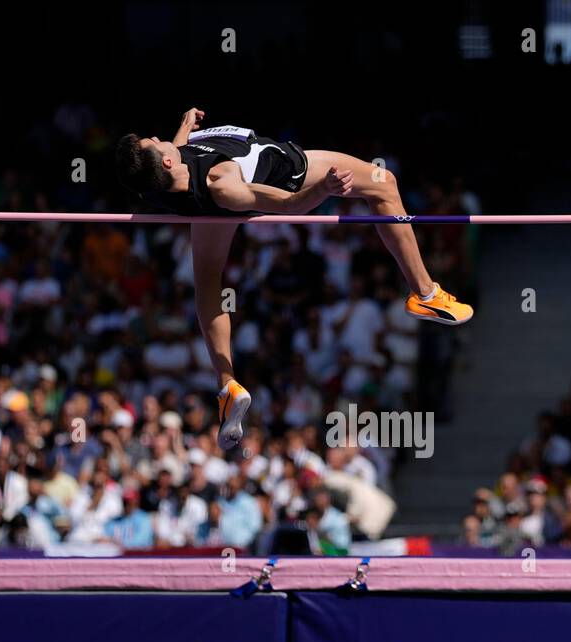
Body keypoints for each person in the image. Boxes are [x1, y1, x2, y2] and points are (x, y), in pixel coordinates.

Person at [116, 108, 474, 449]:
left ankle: (227, 386)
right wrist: (325, 188)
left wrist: (184, 127)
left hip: (203, 206)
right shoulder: (223, 183)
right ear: (166, 161)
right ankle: (425, 293)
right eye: (154, 143)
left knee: (208, 286)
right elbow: (290, 205)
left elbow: (173, 157)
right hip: (287, 173)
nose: (155, 136)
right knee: (384, 184)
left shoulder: (151, 183)